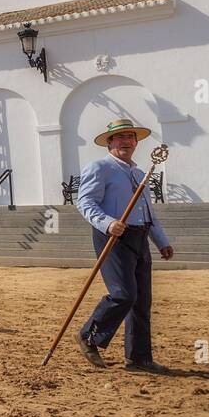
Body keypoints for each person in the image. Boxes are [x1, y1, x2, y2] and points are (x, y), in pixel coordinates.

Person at [74, 119, 174, 373]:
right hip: (113, 238)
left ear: (136, 142)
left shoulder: (140, 174)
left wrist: (161, 241)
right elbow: (85, 203)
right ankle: (89, 335)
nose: (125, 141)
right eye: (119, 138)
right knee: (123, 294)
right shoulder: (99, 167)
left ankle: (139, 358)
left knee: (141, 301)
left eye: (130, 137)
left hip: (139, 238)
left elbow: (147, 211)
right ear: (109, 143)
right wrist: (107, 223)